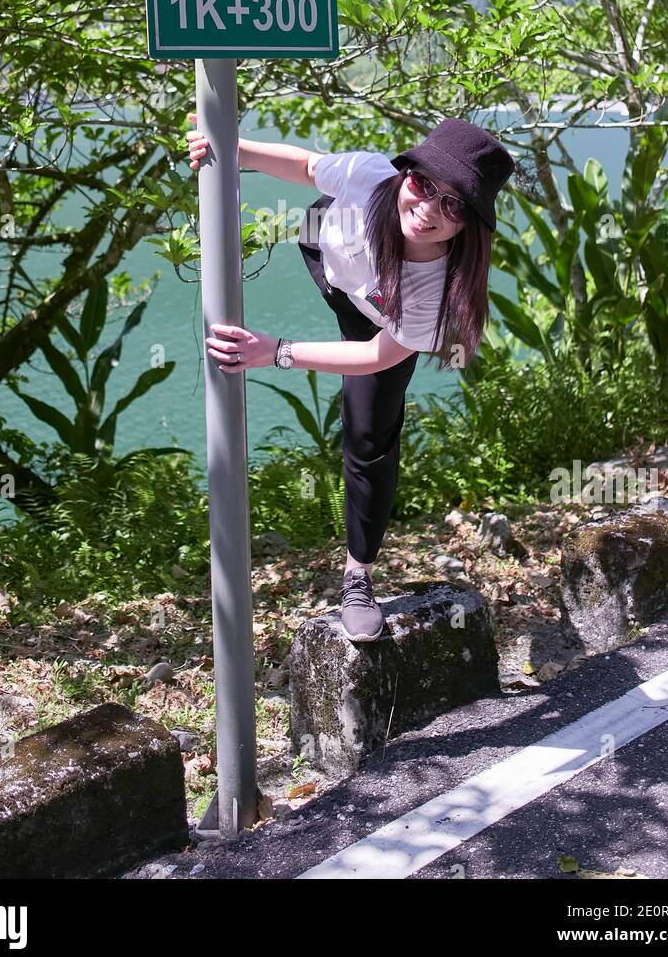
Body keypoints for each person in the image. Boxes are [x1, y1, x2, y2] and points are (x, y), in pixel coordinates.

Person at [186, 113, 516, 643]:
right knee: (324, 224)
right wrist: (232, 148)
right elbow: (309, 164)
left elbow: (378, 355)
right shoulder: (371, 176)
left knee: (369, 434)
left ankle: (358, 575)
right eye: (423, 184)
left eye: (452, 204)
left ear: (467, 222)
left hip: (384, 317)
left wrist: (277, 352)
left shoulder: (435, 293)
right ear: (405, 173)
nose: (427, 209)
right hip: (330, 257)